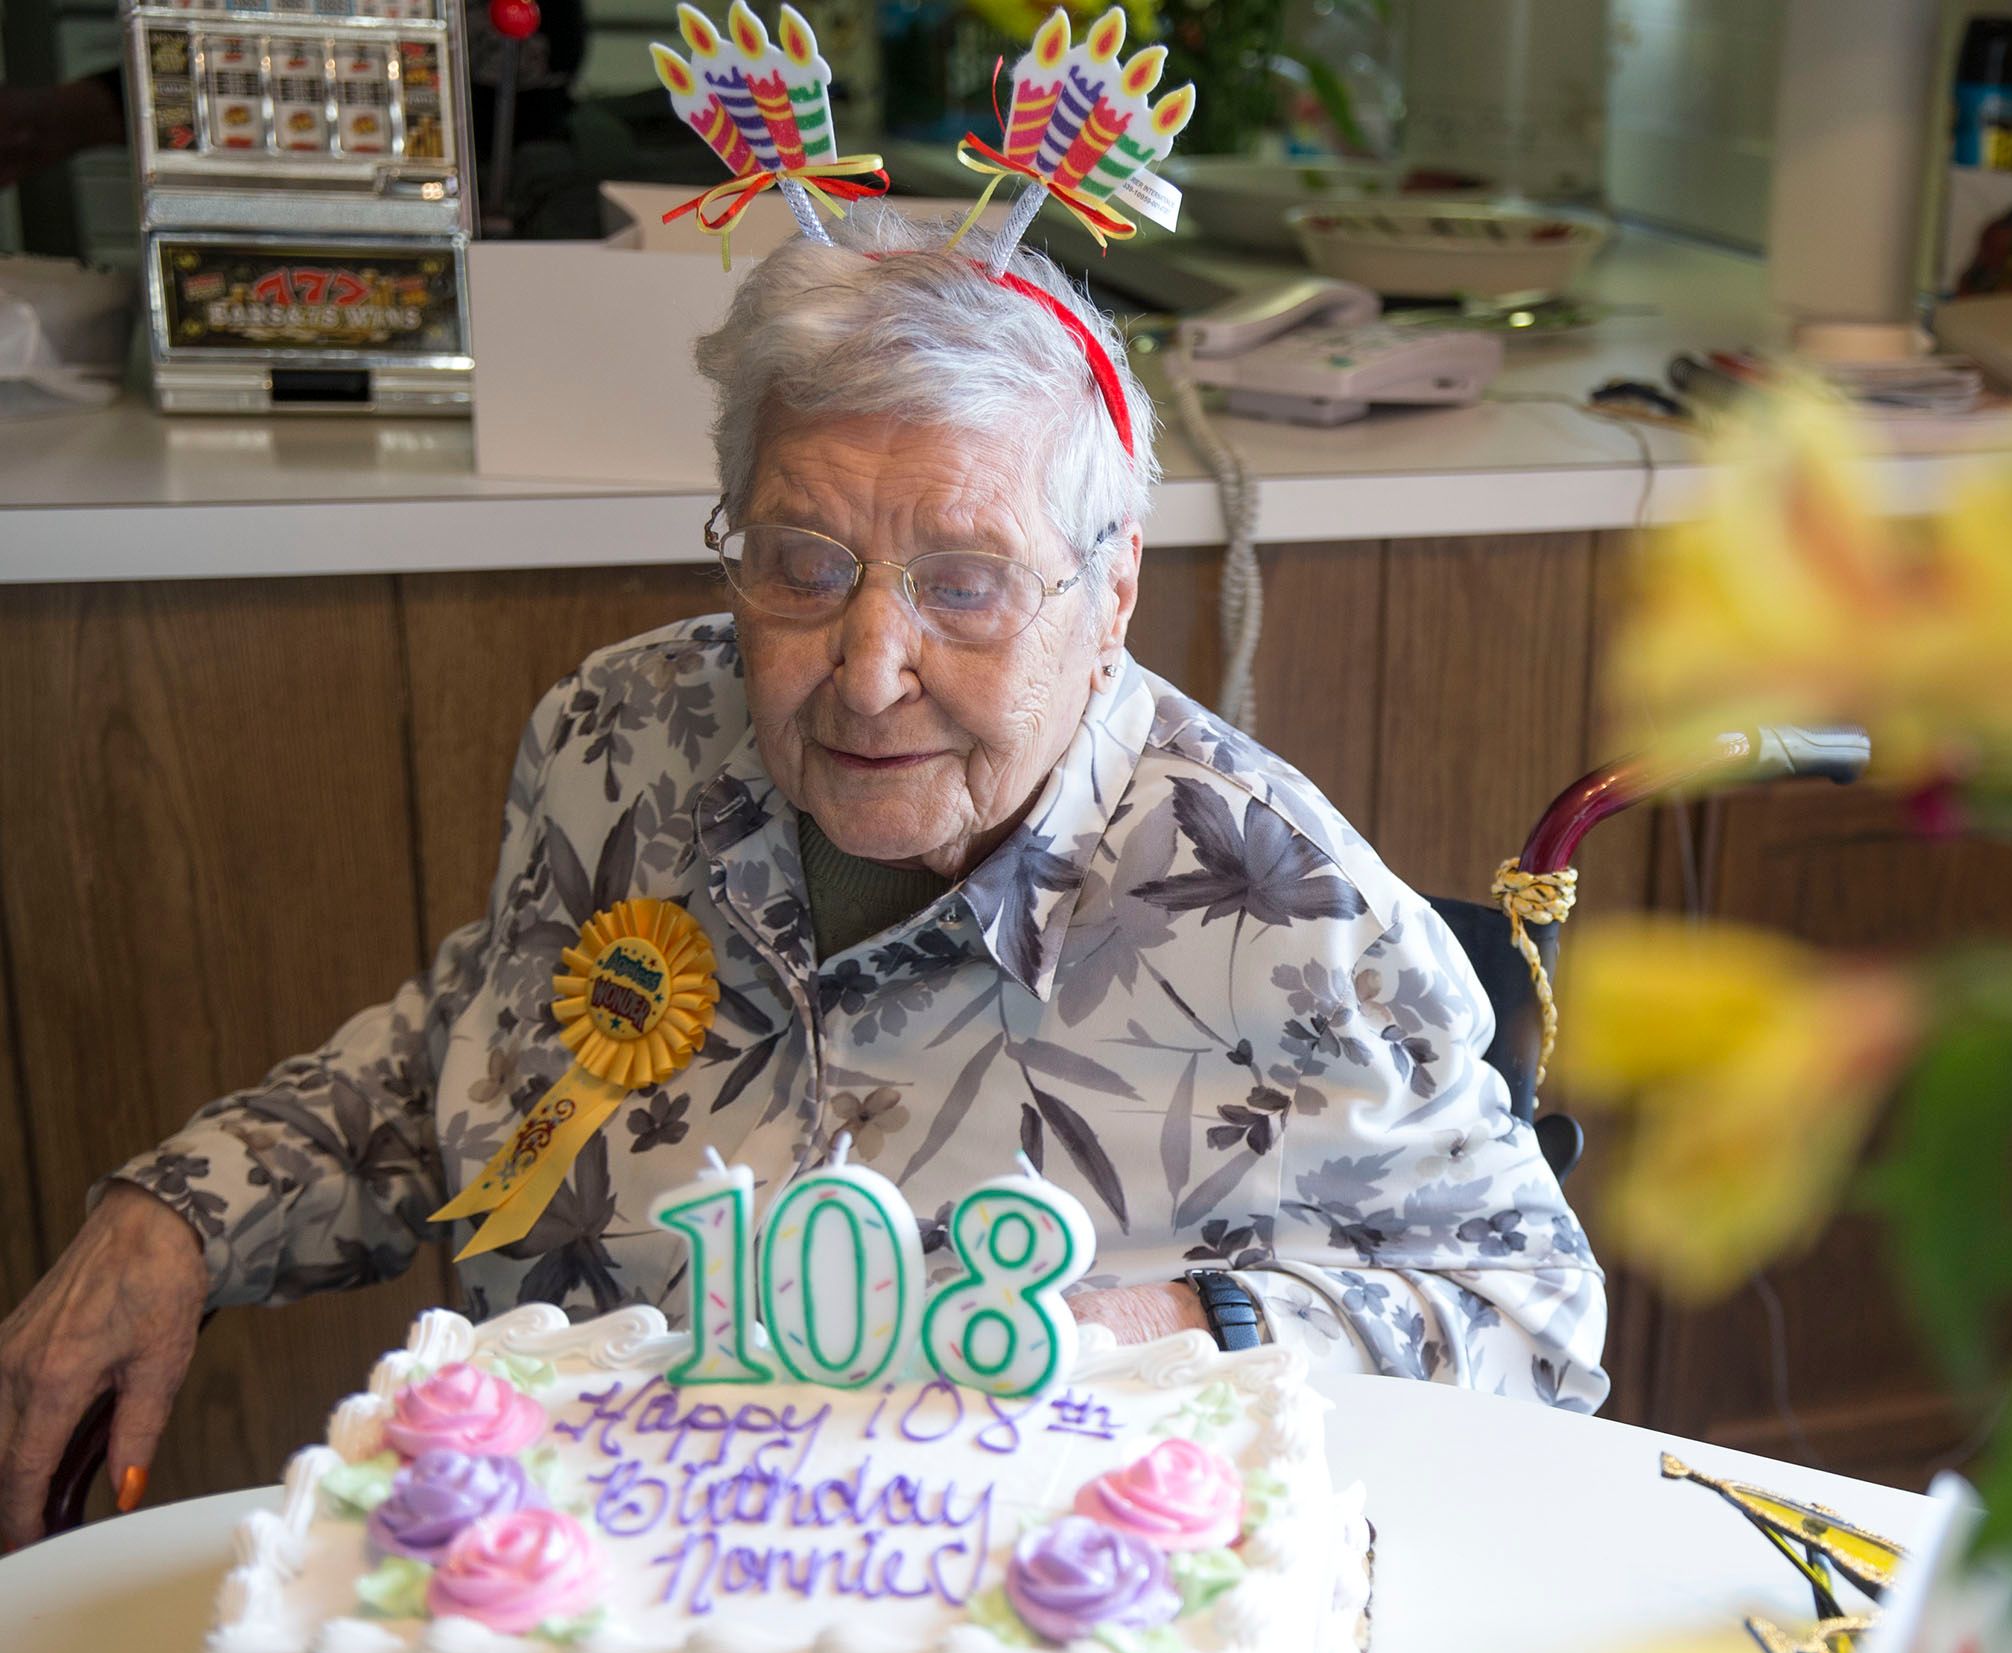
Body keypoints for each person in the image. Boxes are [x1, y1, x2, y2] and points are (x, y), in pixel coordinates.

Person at [0, 205, 1608, 1545]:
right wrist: (188, 1208)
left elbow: (1532, 1324)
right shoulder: (619, 740)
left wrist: (1177, 1333)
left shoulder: (1279, 907)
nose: (867, 668)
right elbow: (480, 1048)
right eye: (801, 564)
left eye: (965, 584)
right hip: (552, 1609)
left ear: (1112, 586)